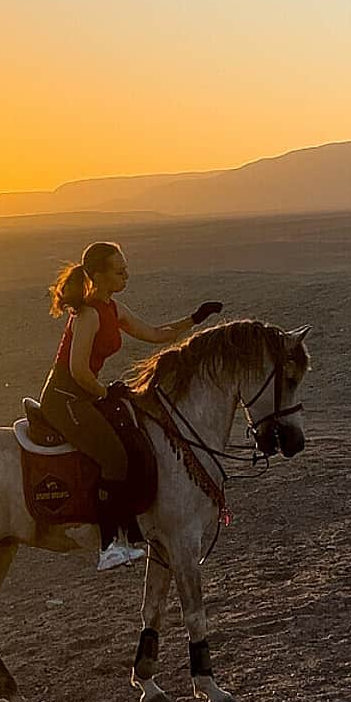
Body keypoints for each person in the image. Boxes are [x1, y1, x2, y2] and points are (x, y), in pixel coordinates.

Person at [41, 241, 223, 570]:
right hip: (66, 400)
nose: (127, 274)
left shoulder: (114, 309)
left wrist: (195, 318)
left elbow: (155, 333)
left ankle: (131, 529)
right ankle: (108, 545)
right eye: (119, 270)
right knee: (114, 458)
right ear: (98, 275)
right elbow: (77, 369)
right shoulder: (88, 315)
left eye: (126, 268)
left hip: (86, 395)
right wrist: (104, 393)